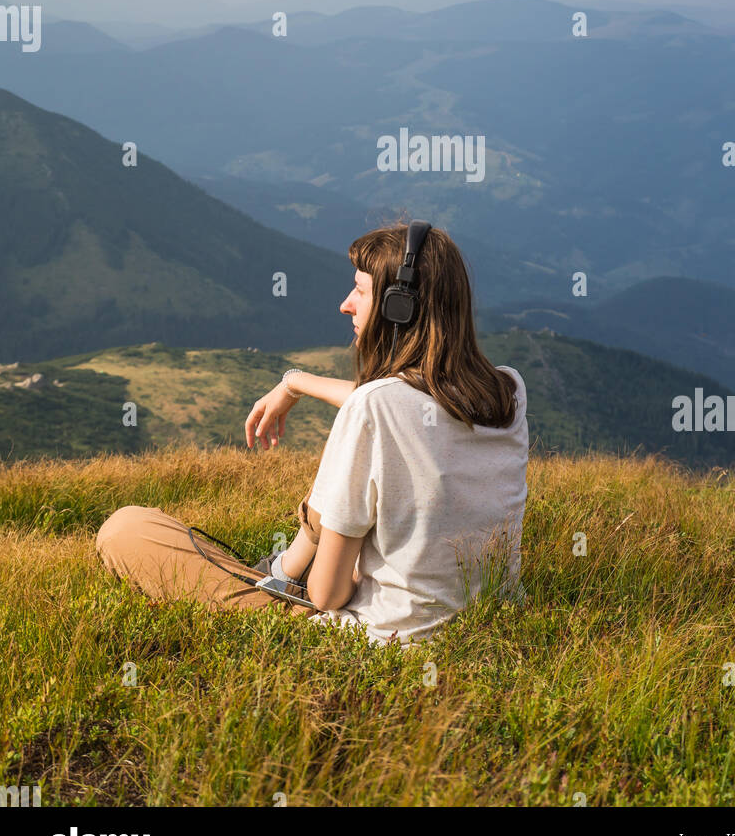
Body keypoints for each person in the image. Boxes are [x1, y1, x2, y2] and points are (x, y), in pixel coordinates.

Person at [96, 223, 529, 647]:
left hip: (378, 638)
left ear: (400, 307)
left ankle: (283, 575)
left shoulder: (374, 408)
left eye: (359, 291)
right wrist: (295, 382)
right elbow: (408, 403)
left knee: (126, 529)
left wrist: (340, 569)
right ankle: (285, 568)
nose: (346, 304)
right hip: (483, 621)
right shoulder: (508, 392)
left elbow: (328, 597)